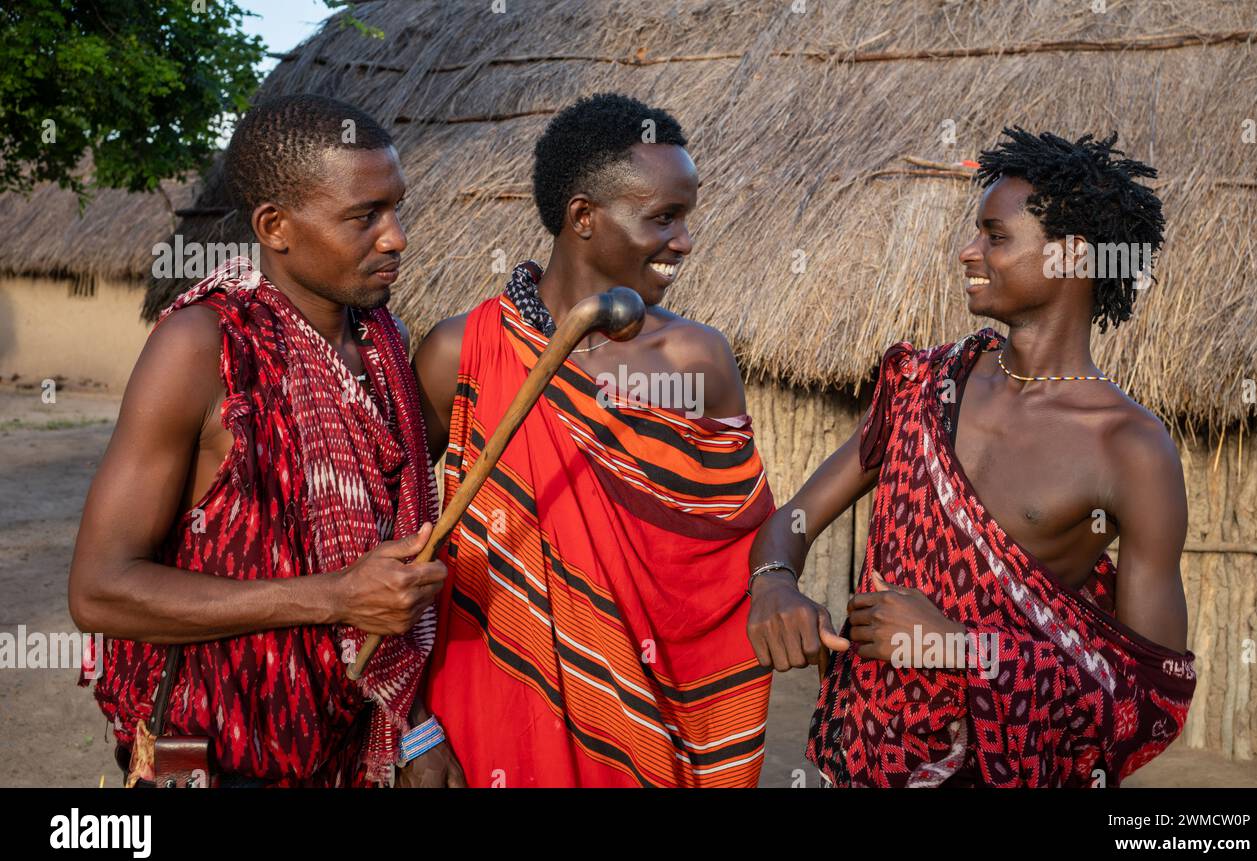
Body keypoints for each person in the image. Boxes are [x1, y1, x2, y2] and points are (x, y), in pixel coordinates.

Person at [745, 128, 1196, 787]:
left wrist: (958, 647)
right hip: (865, 757)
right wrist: (776, 582)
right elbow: (795, 520)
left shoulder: (1129, 448)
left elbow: (1146, 698)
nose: (969, 252)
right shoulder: (926, 385)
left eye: (995, 236)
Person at [68, 94, 450, 787]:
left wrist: (414, 726)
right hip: (221, 756)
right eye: (365, 216)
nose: (395, 237)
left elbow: (389, 572)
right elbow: (100, 590)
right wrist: (335, 597)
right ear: (275, 226)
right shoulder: (203, 348)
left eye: (396, 208)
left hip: (346, 749)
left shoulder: (382, 340)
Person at [413, 93, 773, 787]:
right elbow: (387, 529)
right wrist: (410, 732)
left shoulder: (696, 360)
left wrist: (777, 582)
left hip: (649, 718)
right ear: (583, 217)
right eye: (662, 218)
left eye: (686, 217)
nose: (684, 241)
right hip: (488, 694)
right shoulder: (462, 351)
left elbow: (732, 537)